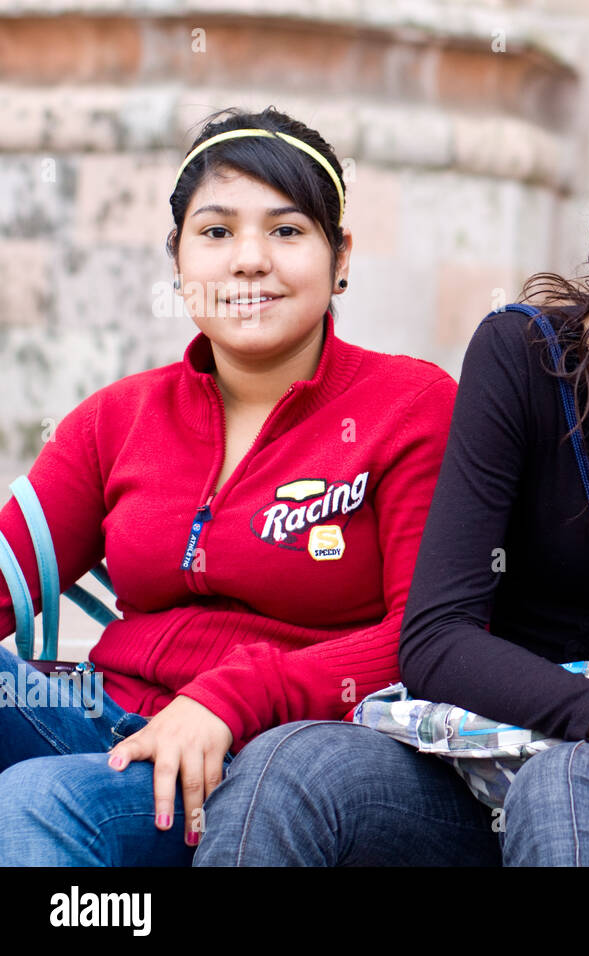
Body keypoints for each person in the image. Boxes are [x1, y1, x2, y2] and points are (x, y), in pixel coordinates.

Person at [194, 67, 589, 867]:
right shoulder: (525, 356)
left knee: (567, 783)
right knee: (286, 768)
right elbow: (435, 639)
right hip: (485, 755)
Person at [0, 107, 457, 865]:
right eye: (216, 232)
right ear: (178, 257)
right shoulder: (119, 418)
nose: (249, 260)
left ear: (340, 255)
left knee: (39, 801)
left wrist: (232, 695)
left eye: (287, 231)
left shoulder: (409, 406)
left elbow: (428, 636)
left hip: (272, 766)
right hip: (104, 724)